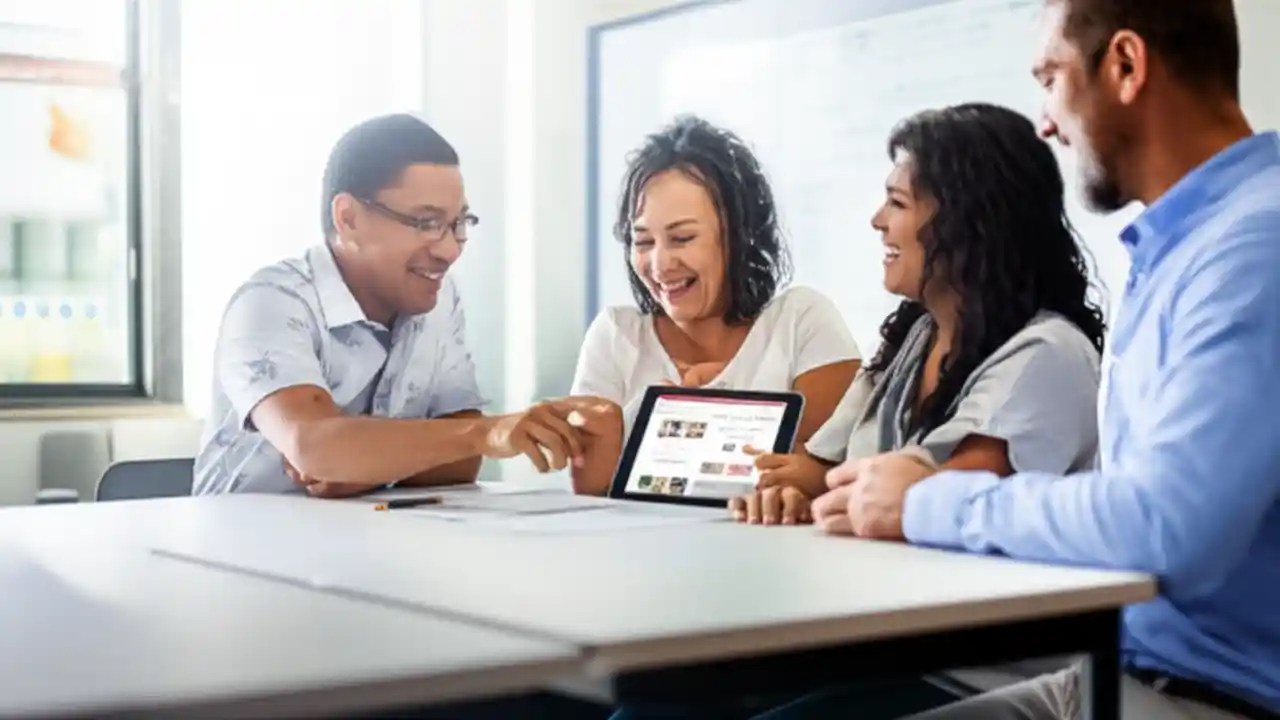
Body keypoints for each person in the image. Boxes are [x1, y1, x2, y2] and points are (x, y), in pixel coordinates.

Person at [814, 0, 1280, 717]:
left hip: (1219, 695)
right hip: (1123, 669)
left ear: (1125, 65)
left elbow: (1165, 527)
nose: (1046, 121)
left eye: (1051, 77)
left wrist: (926, 501)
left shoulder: (1253, 248)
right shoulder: (1184, 247)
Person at [194, 114, 616, 496]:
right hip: (238, 551)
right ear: (349, 219)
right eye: (427, 223)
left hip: (364, 544)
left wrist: (361, 462)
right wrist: (482, 433)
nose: (450, 250)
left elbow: (461, 464)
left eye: (458, 224)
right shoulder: (271, 301)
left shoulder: (439, 297)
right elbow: (313, 444)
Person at [729, 102, 1107, 526]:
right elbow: (828, 473)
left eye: (897, 203)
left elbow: (933, 500)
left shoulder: (1049, 354)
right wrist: (786, 494)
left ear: (969, 223)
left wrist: (823, 491)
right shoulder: (914, 335)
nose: (877, 220)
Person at [570, 116, 861, 495]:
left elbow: (816, 475)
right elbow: (592, 491)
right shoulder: (615, 335)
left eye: (682, 238)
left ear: (739, 235)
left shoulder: (802, 321)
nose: (659, 265)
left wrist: (692, 418)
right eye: (643, 242)